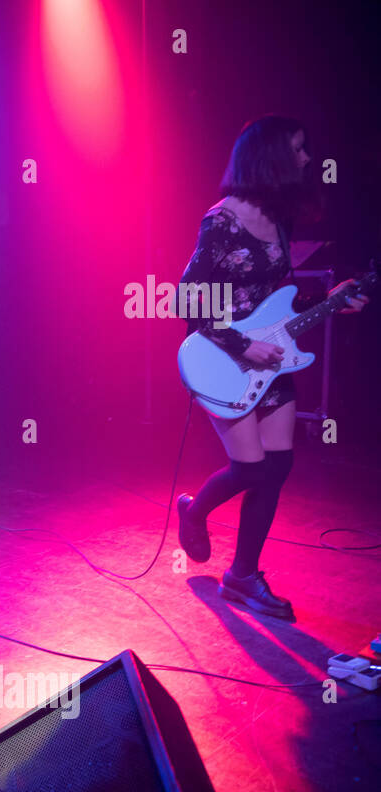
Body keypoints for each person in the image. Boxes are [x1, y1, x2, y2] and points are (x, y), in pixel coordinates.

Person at [175, 116, 369, 619]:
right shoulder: (220, 221)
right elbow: (187, 300)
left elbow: (278, 297)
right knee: (250, 467)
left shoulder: (281, 222)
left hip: (274, 362)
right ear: (271, 158)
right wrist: (241, 344)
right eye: (299, 150)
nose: (308, 160)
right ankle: (194, 512)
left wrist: (328, 300)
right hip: (222, 360)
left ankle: (242, 575)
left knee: (278, 466)